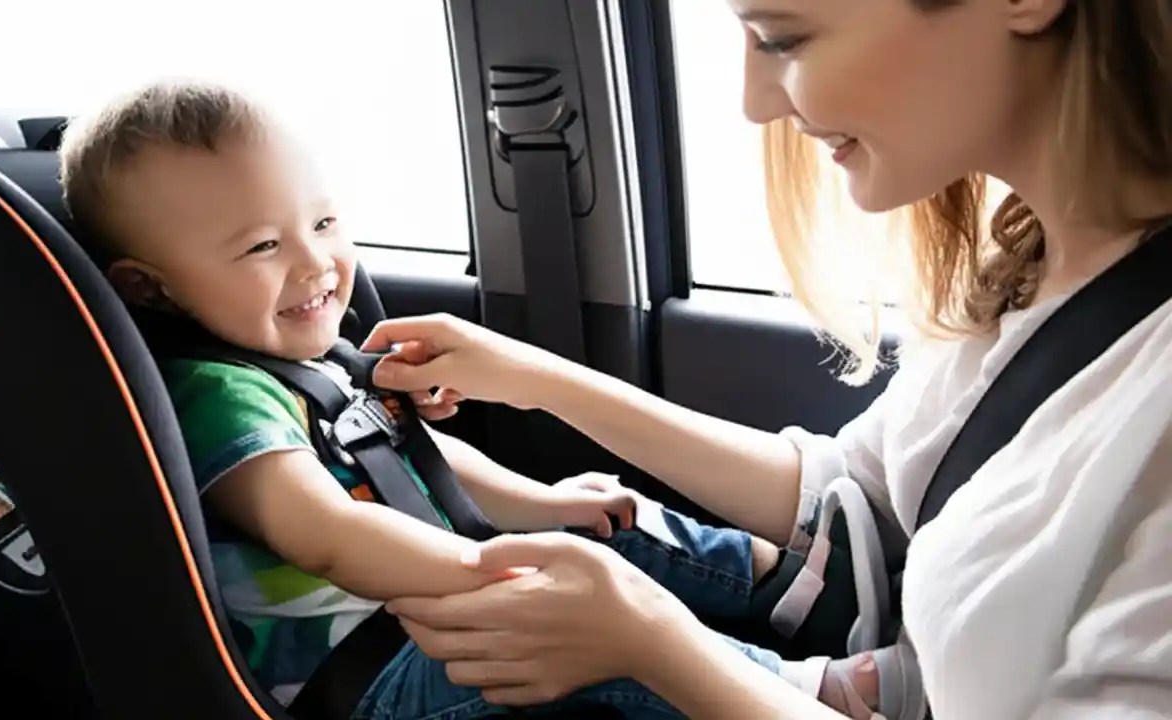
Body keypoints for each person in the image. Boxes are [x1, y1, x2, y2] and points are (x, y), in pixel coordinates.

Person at [365, 1, 1172, 718]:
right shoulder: (1034, 269)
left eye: (784, 39)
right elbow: (865, 494)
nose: (756, 103)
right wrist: (533, 378)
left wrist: (652, 642)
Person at [56, 79, 862, 719]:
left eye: (326, 223)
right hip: (379, 669)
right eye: (263, 246)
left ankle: (796, 588)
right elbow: (323, 531)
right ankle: (809, 692)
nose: (317, 264)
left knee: (606, 521)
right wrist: (482, 567)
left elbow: (432, 458)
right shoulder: (215, 397)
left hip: (431, 608)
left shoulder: (322, 359)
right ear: (149, 289)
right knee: (586, 633)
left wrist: (542, 507)